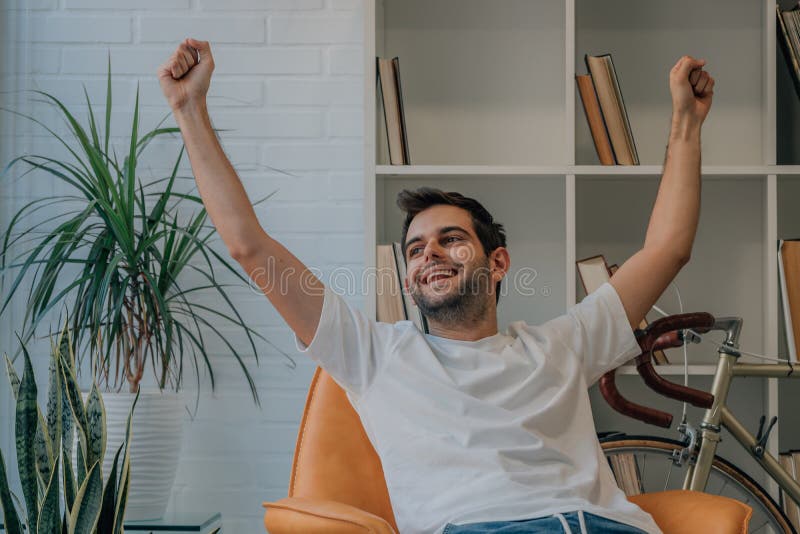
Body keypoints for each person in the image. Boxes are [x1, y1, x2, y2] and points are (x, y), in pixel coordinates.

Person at [158, 38, 714, 534]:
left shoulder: (561, 345)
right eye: (417, 249)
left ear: (498, 263)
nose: (431, 256)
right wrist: (190, 110)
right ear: (407, 278)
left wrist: (686, 123)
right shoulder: (374, 356)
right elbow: (248, 246)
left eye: (451, 240)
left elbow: (668, 251)